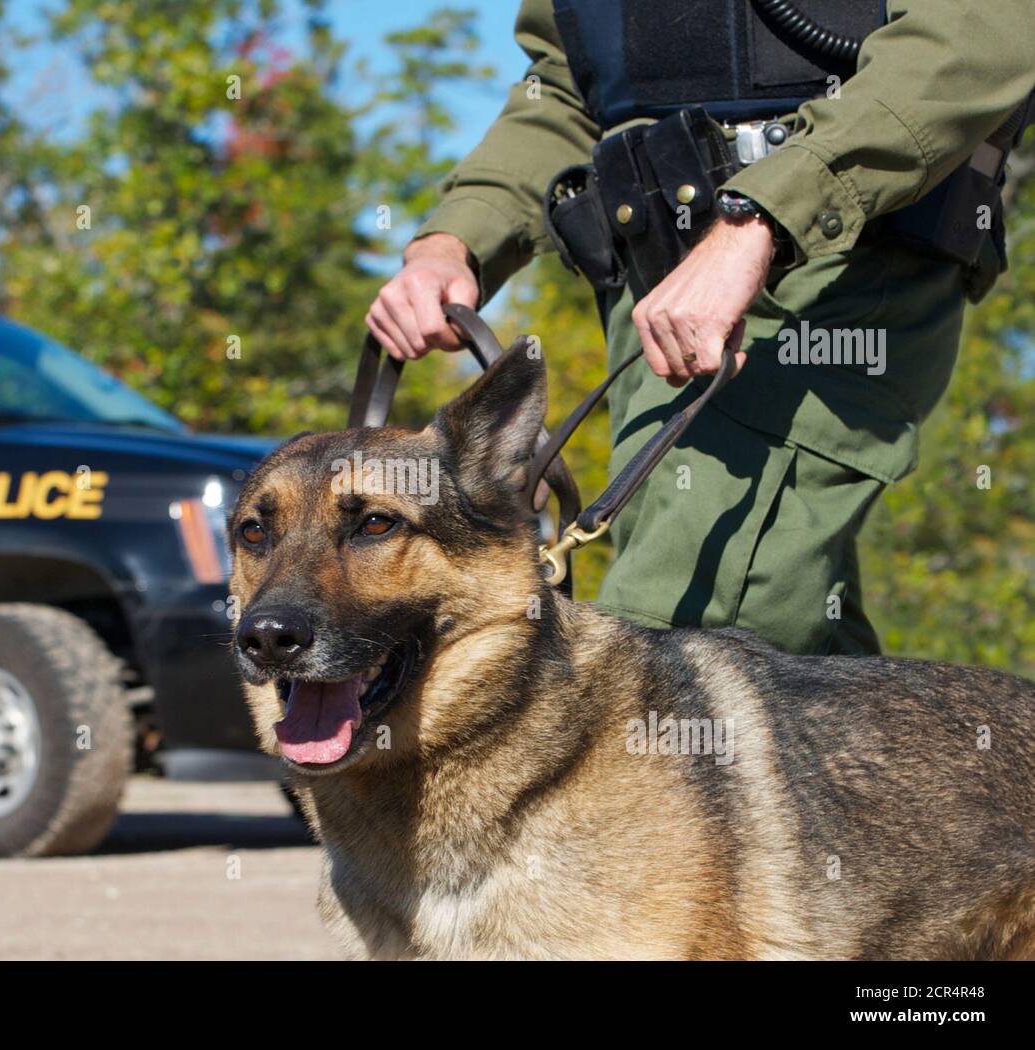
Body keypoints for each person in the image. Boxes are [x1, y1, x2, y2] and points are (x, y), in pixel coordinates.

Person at [367, 0, 1034, 655]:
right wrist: (456, 239)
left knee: (684, 647)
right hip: (653, 290)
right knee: (799, 664)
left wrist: (767, 217)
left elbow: (980, 33)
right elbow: (565, 90)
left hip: (833, 262)